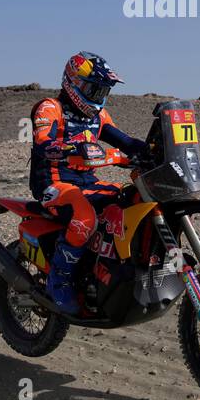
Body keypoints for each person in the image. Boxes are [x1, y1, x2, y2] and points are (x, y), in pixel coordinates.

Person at [30, 52, 148, 314]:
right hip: (53, 182)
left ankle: (106, 272)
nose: (97, 95)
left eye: (102, 90)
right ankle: (59, 280)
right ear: (73, 83)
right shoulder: (50, 108)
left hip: (85, 182)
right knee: (84, 217)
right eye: (93, 88)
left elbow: (125, 142)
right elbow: (43, 144)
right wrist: (71, 147)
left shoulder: (99, 115)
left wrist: (152, 149)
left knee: (131, 200)